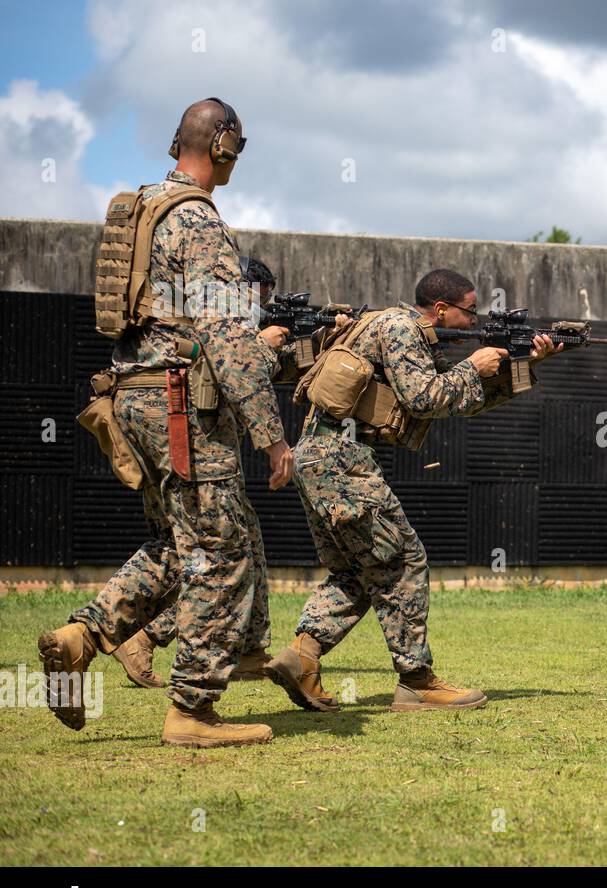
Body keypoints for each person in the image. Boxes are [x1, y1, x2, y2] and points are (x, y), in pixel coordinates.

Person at [39, 98, 294, 747]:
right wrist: (270, 434)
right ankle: (192, 712)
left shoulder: (144, 207)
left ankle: (81, 637)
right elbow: (228, 335)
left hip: (131, 394)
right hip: (180, 404)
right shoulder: (198, 220)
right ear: (226, 146)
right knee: (220, 552)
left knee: (178, 547)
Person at [264, 269, 559, 713]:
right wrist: (471, 366)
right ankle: (417, 681)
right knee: (404, 562)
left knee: (359, 571)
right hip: (343, 462)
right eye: (470, 311)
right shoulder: (401, 329)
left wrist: (524, 364)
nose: (474, 320)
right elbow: (425, 399)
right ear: (441, 309)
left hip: (325, 460)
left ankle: (301, 657)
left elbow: (459, 400)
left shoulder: (391, 327)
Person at [108, 255, 288, 689]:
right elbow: (229, 367)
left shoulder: (178, 310)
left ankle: (248, 648)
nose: (258, 312)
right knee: (212, 552)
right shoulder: (212, 317)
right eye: (256, 302)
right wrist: (263, 346)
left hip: (159, 423)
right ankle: (136, 637)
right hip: (186, 433)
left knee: (213, 543)